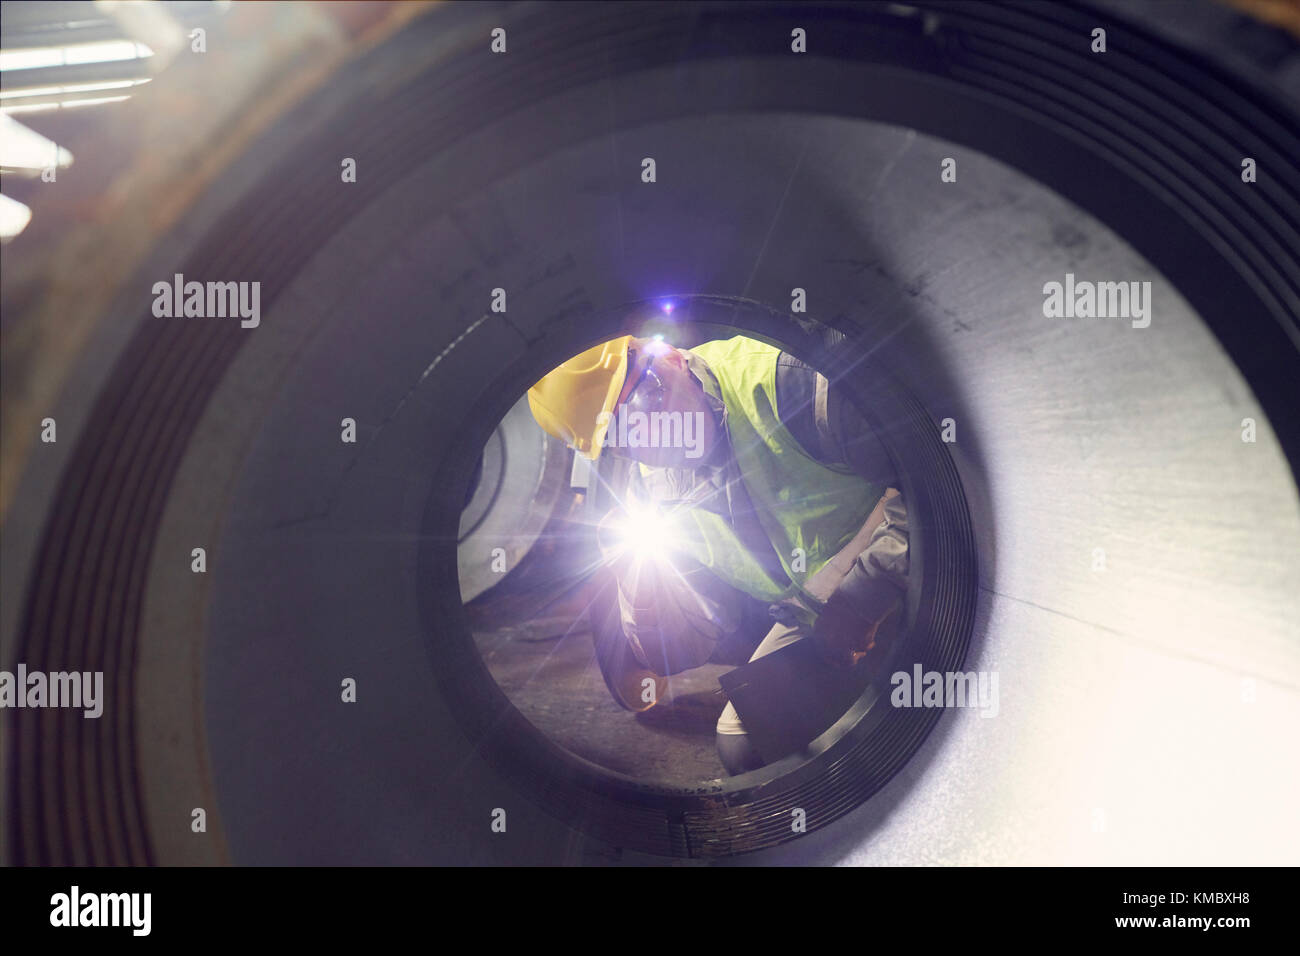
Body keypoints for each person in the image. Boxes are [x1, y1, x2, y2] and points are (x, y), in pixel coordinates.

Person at [527, 333, 908, 775]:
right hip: (821, 615)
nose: (656, 434)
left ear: (670, 356)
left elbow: (937, 481)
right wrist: (638, 586)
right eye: (623, 433)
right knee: (747, 748)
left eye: (648, 398)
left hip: (918, 565)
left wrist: (864, 598)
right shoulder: (651, 487)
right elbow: (684, 648)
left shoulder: (790, 384)